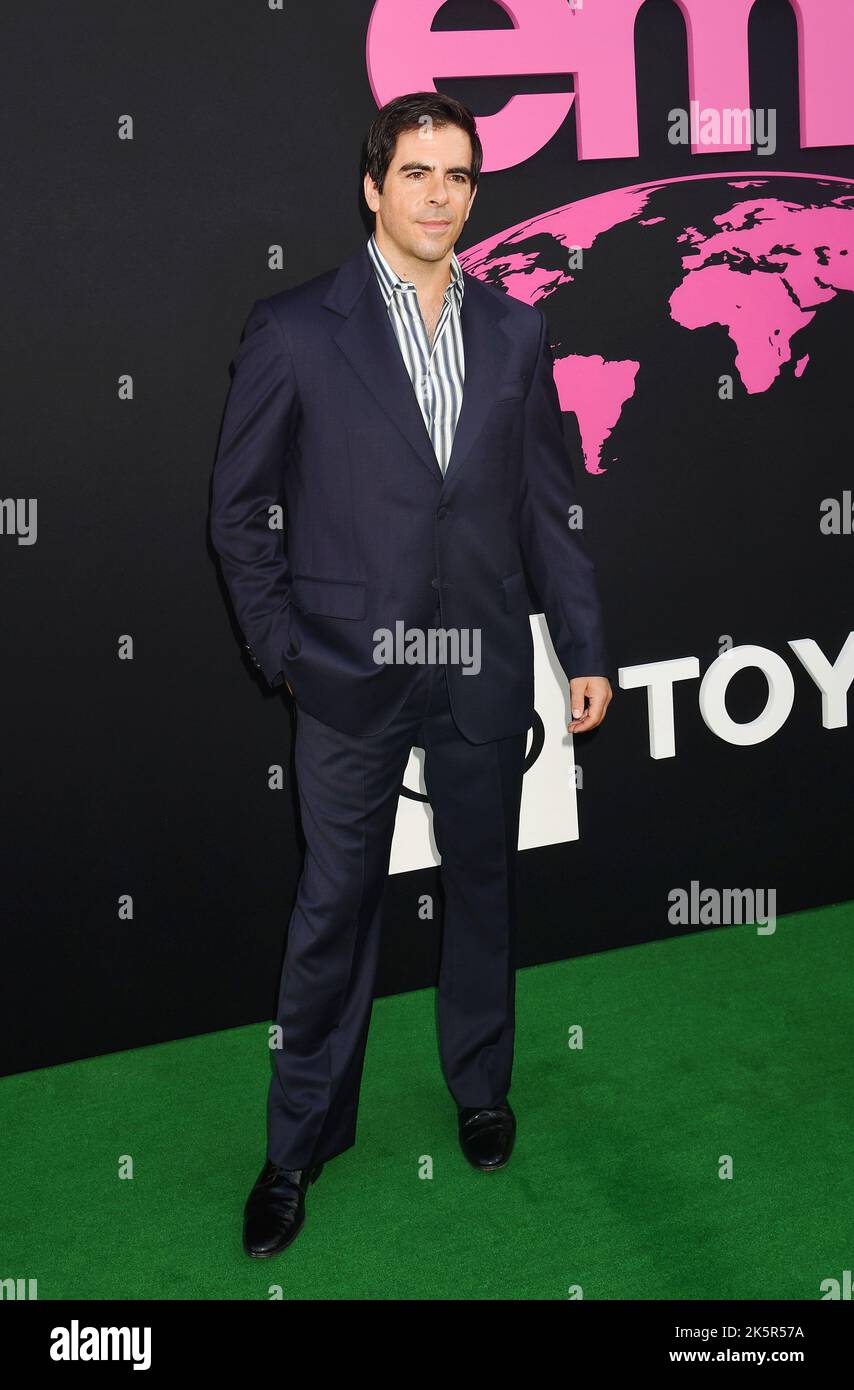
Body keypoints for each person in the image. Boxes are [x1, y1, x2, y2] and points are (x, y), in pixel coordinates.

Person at [210, 92, 613, 1259]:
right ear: (372, 187)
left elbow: (545, 506)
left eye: (459, 175)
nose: (440, 194)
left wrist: (582, 648)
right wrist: (282, 651)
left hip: (483, 663)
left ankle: (479, 1084)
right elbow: (237, 515)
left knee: (485, 886)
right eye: (418, 172)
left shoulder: (516, 331)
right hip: (346, 673)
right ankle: (296, 1147)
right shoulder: (293, 328)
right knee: (332, 910)